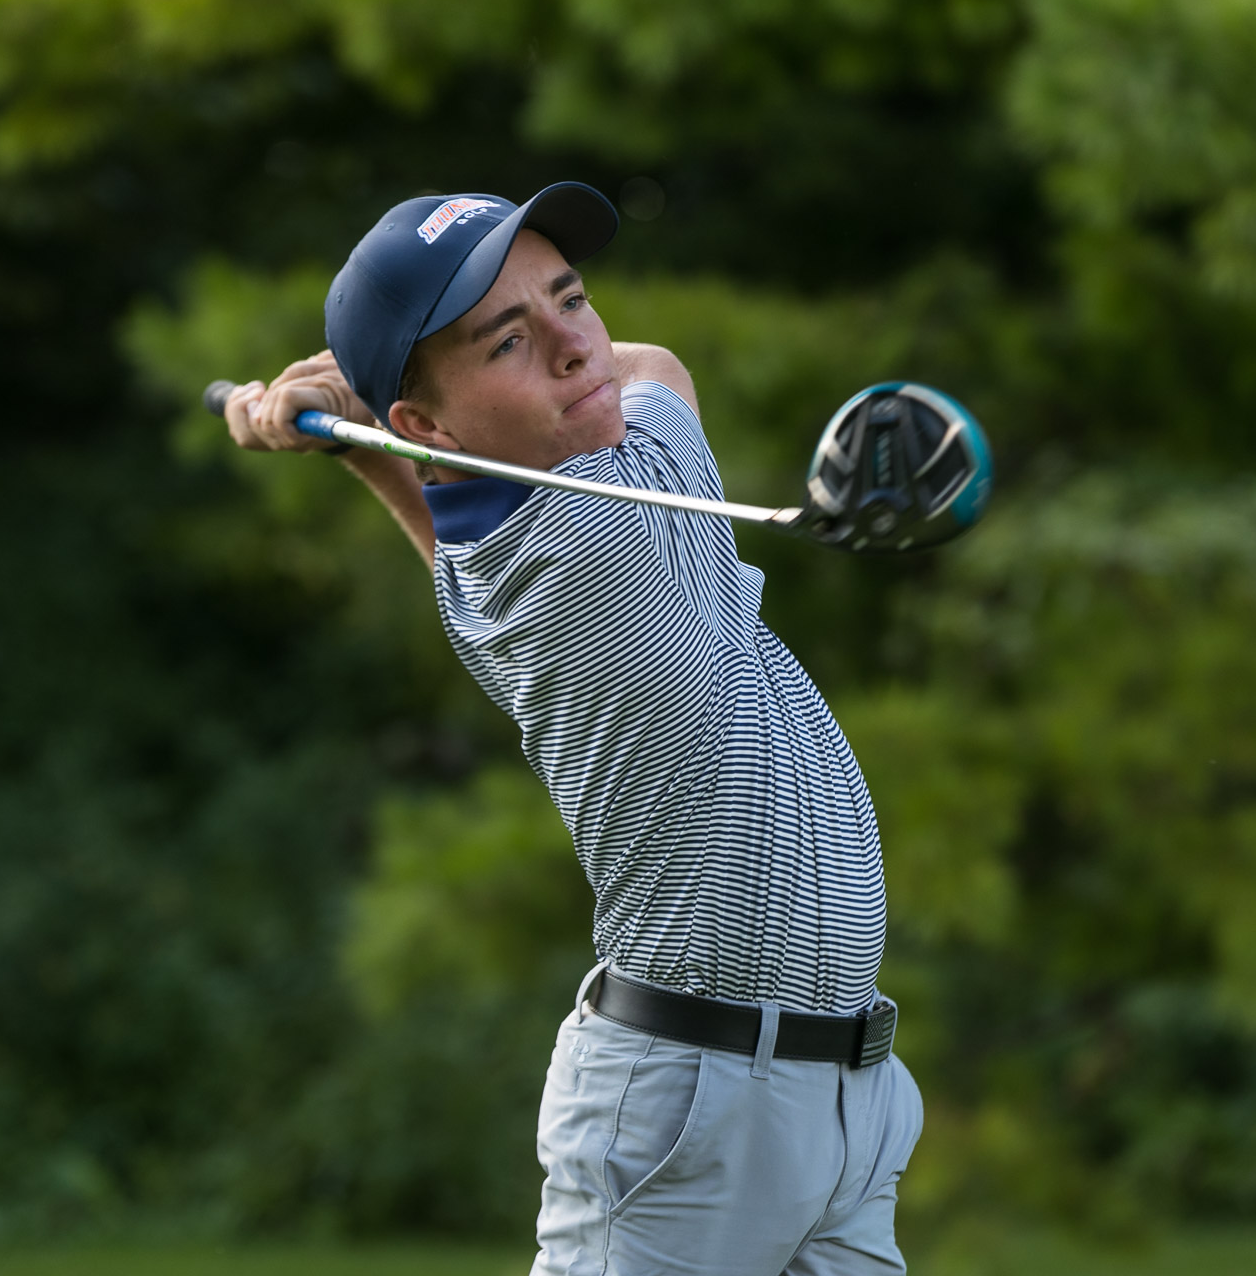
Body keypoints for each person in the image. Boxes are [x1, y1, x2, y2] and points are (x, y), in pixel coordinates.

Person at [222, 183, 923, 1276]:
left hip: (838, 1096)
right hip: (693, 1112)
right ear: (427, 424)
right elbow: (657, 369)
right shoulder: (603, 527)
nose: (573, 348)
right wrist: (373, 423)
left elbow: (475, 508)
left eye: (572, 298)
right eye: (510, 340)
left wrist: (370, 439)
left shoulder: (520, 540)